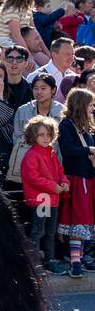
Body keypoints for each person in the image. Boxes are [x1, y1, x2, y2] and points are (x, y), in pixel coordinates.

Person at [19, 115, 69, 274]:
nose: (46, 138)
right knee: (38, 231)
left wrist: (64, 182)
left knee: (50, 232)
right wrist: (53, 186)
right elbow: (33, 178)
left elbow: (60, 172)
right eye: (41, 135)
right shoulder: (32, 155)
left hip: (52, 199)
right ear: (33, 136)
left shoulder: (51, 153)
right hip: (42, 199)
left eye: (48, 134)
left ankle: (50, 260)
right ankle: (34, 263)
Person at [56, 86, 95, 275]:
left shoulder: (86, 128)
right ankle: (75, 262)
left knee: (86, 220)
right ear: (81, 105)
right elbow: (68, 151)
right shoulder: (66, 125)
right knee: (77, 220)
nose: (93, 108)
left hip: (89, 178)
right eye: (91, 105)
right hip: (77, 179)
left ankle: (81, 258)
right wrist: (90, 150)